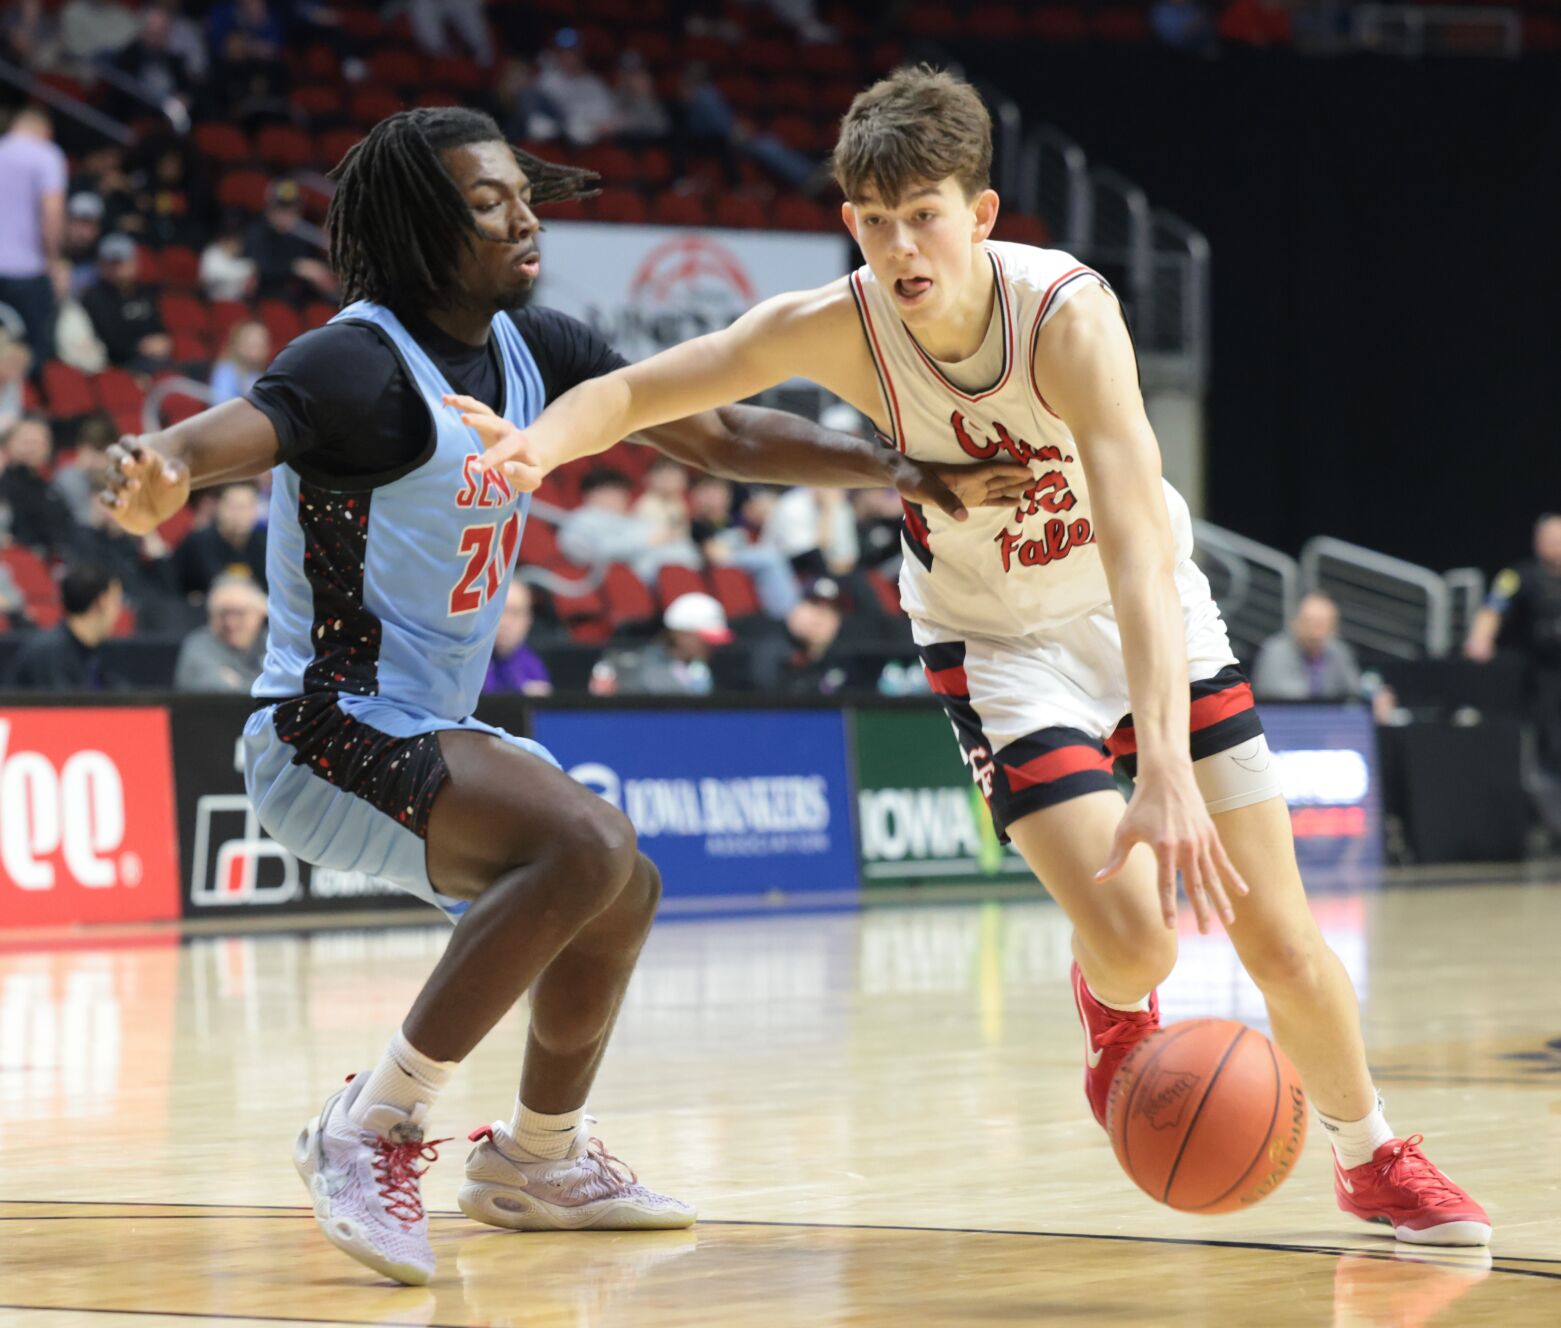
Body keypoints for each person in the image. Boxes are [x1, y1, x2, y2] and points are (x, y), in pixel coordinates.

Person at [466, 67, 1490, 1246]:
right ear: (850, 221)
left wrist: (1161, 759)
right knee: (1142, 934)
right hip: (995, 640)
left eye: (924, 214)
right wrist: (538, 446)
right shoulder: (835, 324)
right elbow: (647, 387)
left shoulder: (1067, 318)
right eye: (875, 219)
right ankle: (1114, 1007)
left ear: (983, 215)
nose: (901, 245)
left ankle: (1371, 1158)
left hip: (1140, 609)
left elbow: (1140, 558)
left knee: (1277, 936)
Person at [98, 105, 1026, 1286]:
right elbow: (222, 437)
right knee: (589, 840)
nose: (524, 212)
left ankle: (539, 1156)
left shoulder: (541, 346)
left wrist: (897, 468)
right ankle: (369, 1124)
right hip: (323, 731)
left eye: (521, 190)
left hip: (426, 725)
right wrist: (162, 473)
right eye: (489, 200)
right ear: (425, 230)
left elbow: (730, 433)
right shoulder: (356, 363)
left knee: (622, 884)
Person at [1466, 513, 1561, 837]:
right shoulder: (1521, 575)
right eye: (1549, 538)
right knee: (1547, 750)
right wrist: (1481, 638)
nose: (1554, 545)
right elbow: (1494, 607)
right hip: (1543, 678)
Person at [0, 106, 69, 368]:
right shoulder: (46, 155)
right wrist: (54, 262)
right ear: (45, 132)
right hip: (27, 272)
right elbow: (52, 212)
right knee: (32, 357)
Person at [558, 466, 702, 584]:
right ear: (593, 493)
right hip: (624, 583)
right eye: (615, 492)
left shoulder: (633, 520)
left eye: (623, 492)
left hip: (678, 575)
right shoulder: (581, 520)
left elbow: (675, 541)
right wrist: (646, 542)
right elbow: (590, 552)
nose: (622, 498)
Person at [3, 563, 123, 691]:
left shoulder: (93, 653)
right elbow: (62, 706)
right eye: (116, 601)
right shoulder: (49, 653)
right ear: (101, 602)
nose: (119, 611)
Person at [593, 591, 729, 696]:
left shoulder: (701, 671)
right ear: (681, 635)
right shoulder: (637, 670)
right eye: (705, 640)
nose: (711, 647)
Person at [79, 234, 173, 369]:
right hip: (121, 366)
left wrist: (164, 341)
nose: (118, 267)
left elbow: (158, 328)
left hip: (156, 361)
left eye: (122, 260)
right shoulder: (94, 298)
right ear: (101, 264)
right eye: (112, 262)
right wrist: (141, 347)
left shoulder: (145, 293)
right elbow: (110, 342)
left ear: (134, 262)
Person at [1251, 591, 1362, 702]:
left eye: (1323, 624)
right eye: (1309, 622)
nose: (1315, 632)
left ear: (1334, 628)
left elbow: (1354, 693)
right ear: (1296, 623)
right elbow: (1276, 696)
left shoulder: (1339, 651)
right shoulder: (1275, 651)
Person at [173, 572, 267, 691]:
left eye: (240, 613)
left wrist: (237, 683)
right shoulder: (198, 646)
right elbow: (212, 693)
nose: (231, 623)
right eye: (223, 614)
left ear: (261, 612)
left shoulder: (279, 645)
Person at [243, 179, 334, 303]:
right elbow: (259, 267)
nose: (286, 213)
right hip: (264, 301)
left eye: (292, 208)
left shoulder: (302, 235)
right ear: (269, 207)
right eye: (281, 207)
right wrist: (296, 266)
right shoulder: (257, 231)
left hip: (300, 302)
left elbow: (317, 269)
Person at [172, 479, 267, 597]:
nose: (238, 514)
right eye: (233, 507)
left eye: (245, 507)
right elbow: (173, 583)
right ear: (219, 507)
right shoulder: (197, 543)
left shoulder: (265, 544)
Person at [0, 415, 76, 555]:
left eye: (39, 442)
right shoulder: (5, 486)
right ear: (9, 445)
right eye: (26, 442)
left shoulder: (50, 488)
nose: (33, 448)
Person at [483, 578, 551, 695]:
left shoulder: (532, 666)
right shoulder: (466, 662)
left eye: (515, 613)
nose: (506, 622)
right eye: (500, 611)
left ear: (529, 620)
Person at [210, 319, 272, 405]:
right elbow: (221, 407)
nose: (256, 347)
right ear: (237, 343)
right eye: (251, 342)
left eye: (261, 343)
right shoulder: (226, 371)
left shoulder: (261, 376)